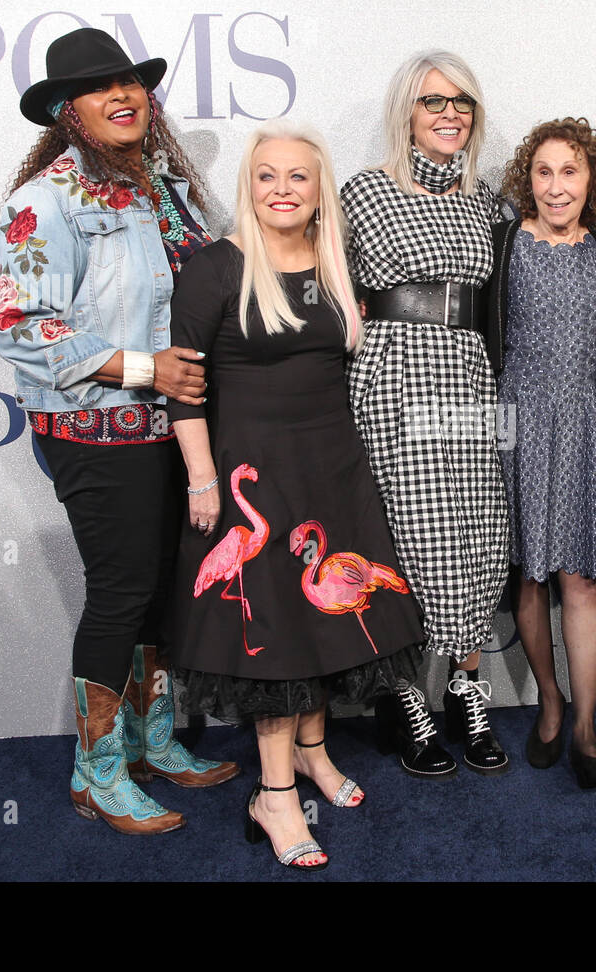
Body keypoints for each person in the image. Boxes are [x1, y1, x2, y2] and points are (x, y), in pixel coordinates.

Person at [0, 27, 237, 836]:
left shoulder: (166, 190)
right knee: (121, 593)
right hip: (95, 430)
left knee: (161, 596)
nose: (124, 95)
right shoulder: (48, 198)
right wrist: (145, 369)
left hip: (177, 431)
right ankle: (95, 774)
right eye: (102, 88)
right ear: (68, 112)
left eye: (132, 81)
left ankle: (150, 743)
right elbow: (23, 326)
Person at [165, 119, 424, 870]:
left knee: (319, 624)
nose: (282, 190)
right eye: (267, 176)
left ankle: (311, 754)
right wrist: (204, 479)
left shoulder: (333, 263)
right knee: (275, 634)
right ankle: (273, 797)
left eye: (298, 177)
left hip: (332, 470)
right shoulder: (215, 267)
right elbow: (185, 388)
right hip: (257, 473)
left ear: (319, 192)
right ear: (250, 186)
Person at [341, 50, 511, 778]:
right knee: (408, 538)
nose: (449, 114)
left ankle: (470, 690)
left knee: (475, 529)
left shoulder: (486, 199)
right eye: (433, 101)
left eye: (462, 102)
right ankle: (407, 698)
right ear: (406, 113)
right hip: (394, 373)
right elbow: (324, 288)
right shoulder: (364, 193)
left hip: (467, 372)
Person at [485, 118, 596, 788]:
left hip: (584, 422)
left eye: (569, 171)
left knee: (581, 579)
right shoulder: (507, 240)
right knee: (529, 577)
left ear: (590, 179)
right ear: (528, 178)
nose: (555, 185)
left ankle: (584, 729)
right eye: (543, 171)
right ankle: (547, 699)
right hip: (517, 419)